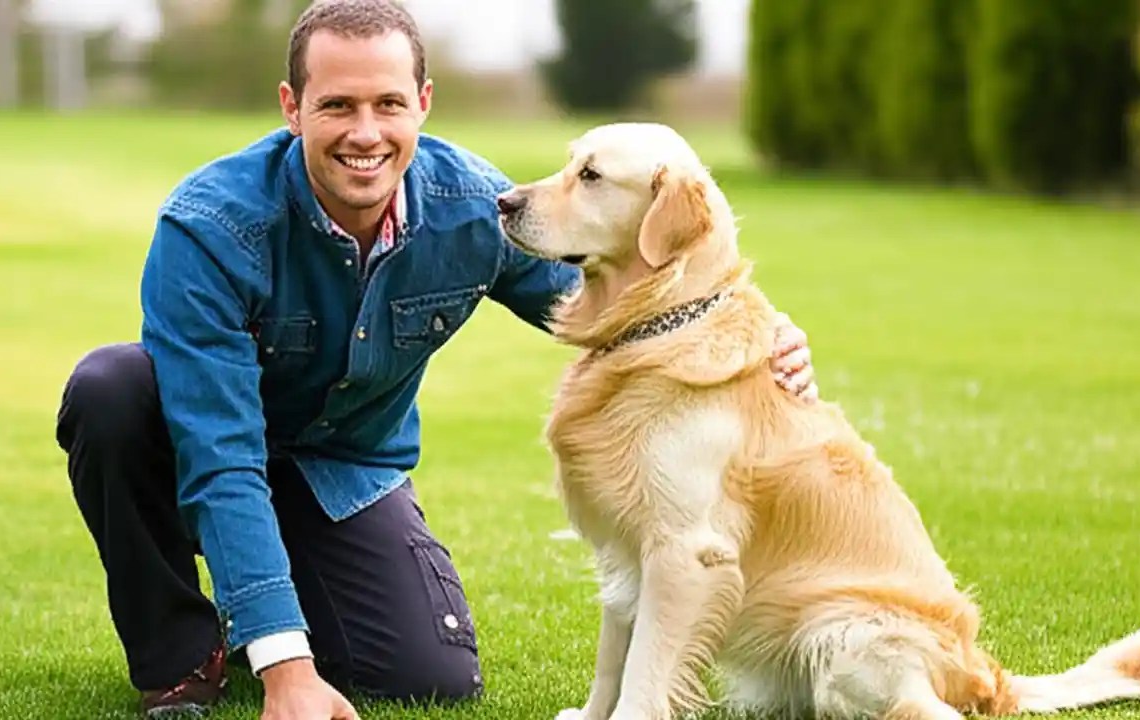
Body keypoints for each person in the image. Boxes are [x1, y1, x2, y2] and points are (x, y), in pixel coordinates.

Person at [54, 1, 819, 718]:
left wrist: (755, 333)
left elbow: (634, 299)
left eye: (388, 104)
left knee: (432, 677)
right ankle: (185, 650)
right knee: (110, 389)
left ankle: (271, 599)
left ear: (423, 102)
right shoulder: (210, 226)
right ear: (292, 108)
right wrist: (286, 669)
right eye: (337, 106)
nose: (366, 132)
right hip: (198, 461)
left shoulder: (476, 211)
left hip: (341, 474)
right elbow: (219, 452)